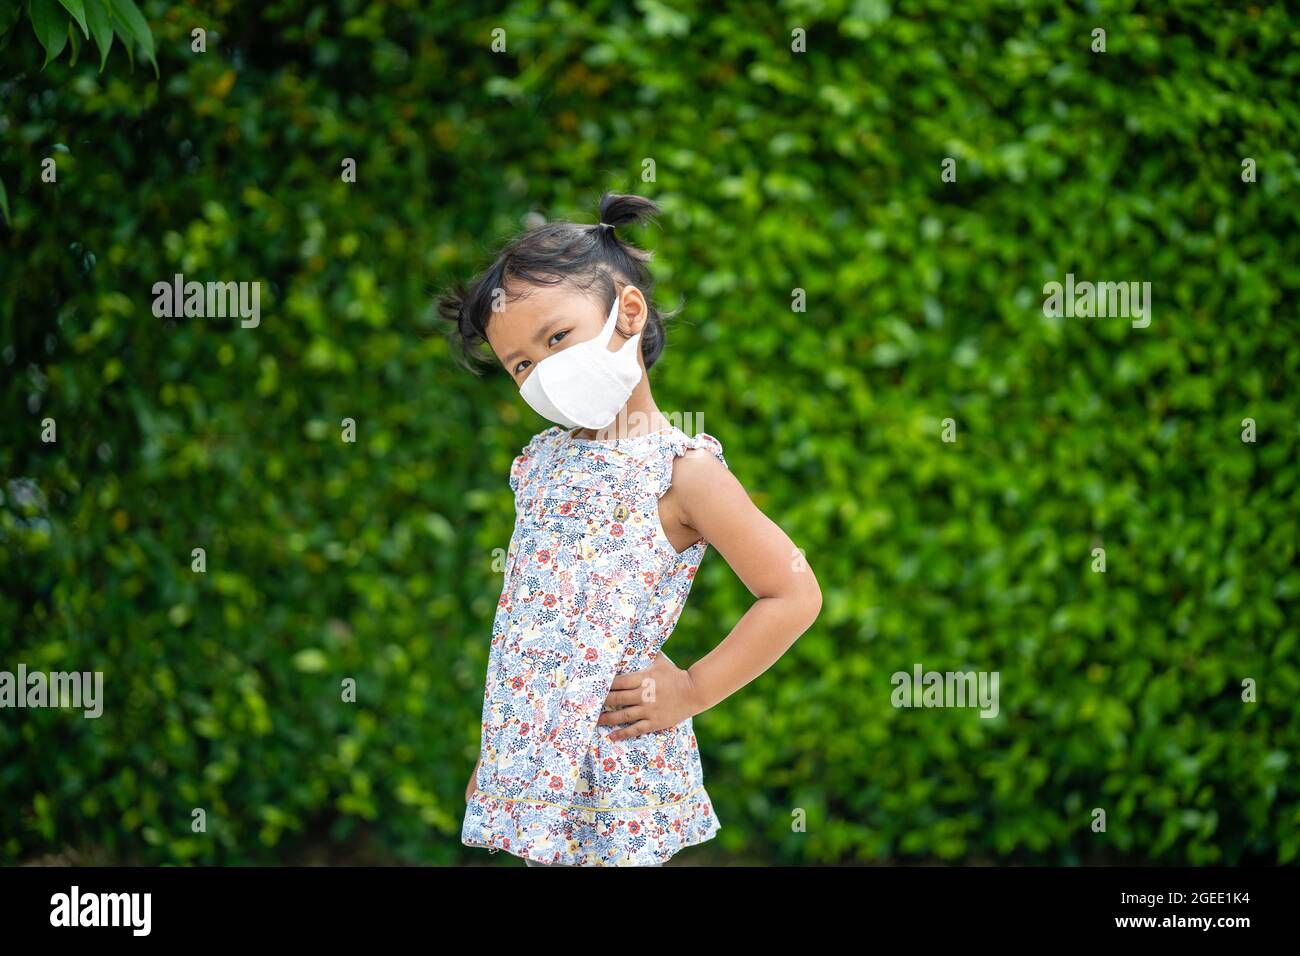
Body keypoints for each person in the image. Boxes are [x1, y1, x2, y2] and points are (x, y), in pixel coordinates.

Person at [439, 191, 822, 866]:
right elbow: (527, 626)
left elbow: (793, 594)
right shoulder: (539, 467)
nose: (543, 372)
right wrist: (500, 755)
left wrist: (694, 690)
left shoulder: (683, 472)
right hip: (535, 759)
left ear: (628, 313)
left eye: (557, 338)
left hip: (616, 756)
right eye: (521, 364)